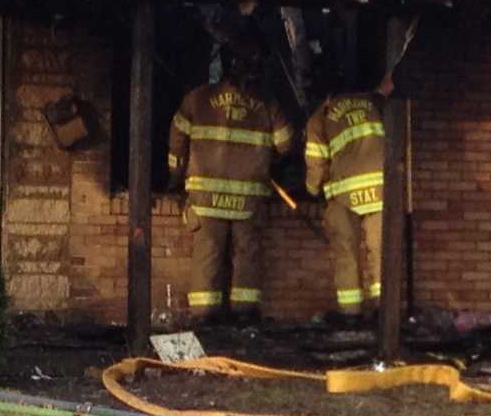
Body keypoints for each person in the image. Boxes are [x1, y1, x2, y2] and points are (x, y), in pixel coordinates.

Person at [168, 39, 293, 326]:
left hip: (205, 197)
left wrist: (175, 175)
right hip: (248, 199)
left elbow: (176, 140)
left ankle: (204, 315)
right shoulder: (266, 105)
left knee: (207, 253)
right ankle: (243, 314)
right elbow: (286, 144)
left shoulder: (196, 99)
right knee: (246, 254)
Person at [305, 70, 391, 327]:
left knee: (347, 253)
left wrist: (311, 191)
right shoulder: (374, 103)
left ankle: (351, 314)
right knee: (380, 252)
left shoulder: (319, 117)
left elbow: (316, 164)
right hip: (381, 189)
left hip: (344, 195)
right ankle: (382, 311)